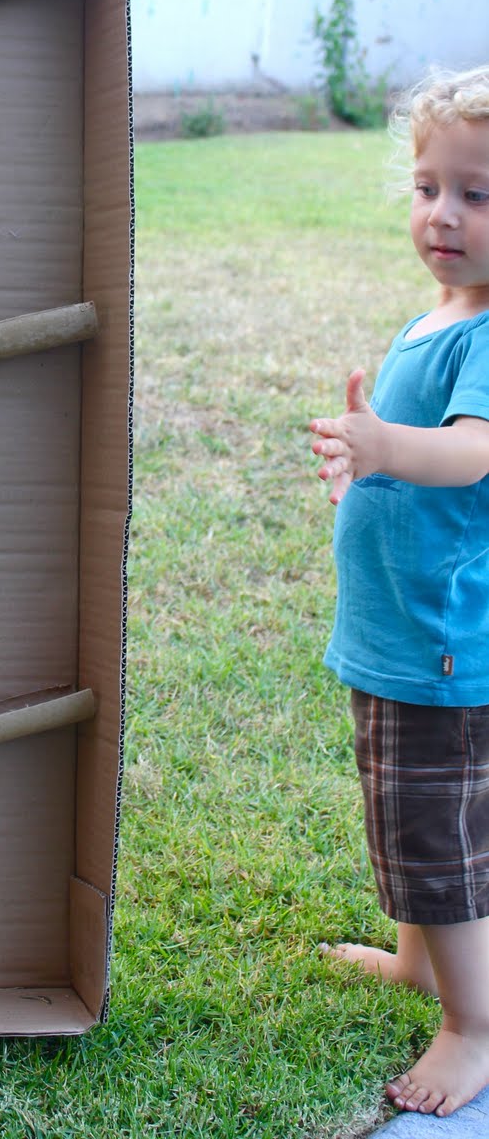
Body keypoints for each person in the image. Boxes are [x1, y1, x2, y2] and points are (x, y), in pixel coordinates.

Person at [310, 64, 489, 1119]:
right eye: (428, 186)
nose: (443, 213)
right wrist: (361, 460)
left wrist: (386, 442)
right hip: (396, 634)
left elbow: (467, 455)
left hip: (437, 644)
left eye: (477, 194)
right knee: (412, 826)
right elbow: (408, 459)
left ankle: (471, 1027)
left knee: (437, 839)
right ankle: (414, 963)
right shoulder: (440, 313)